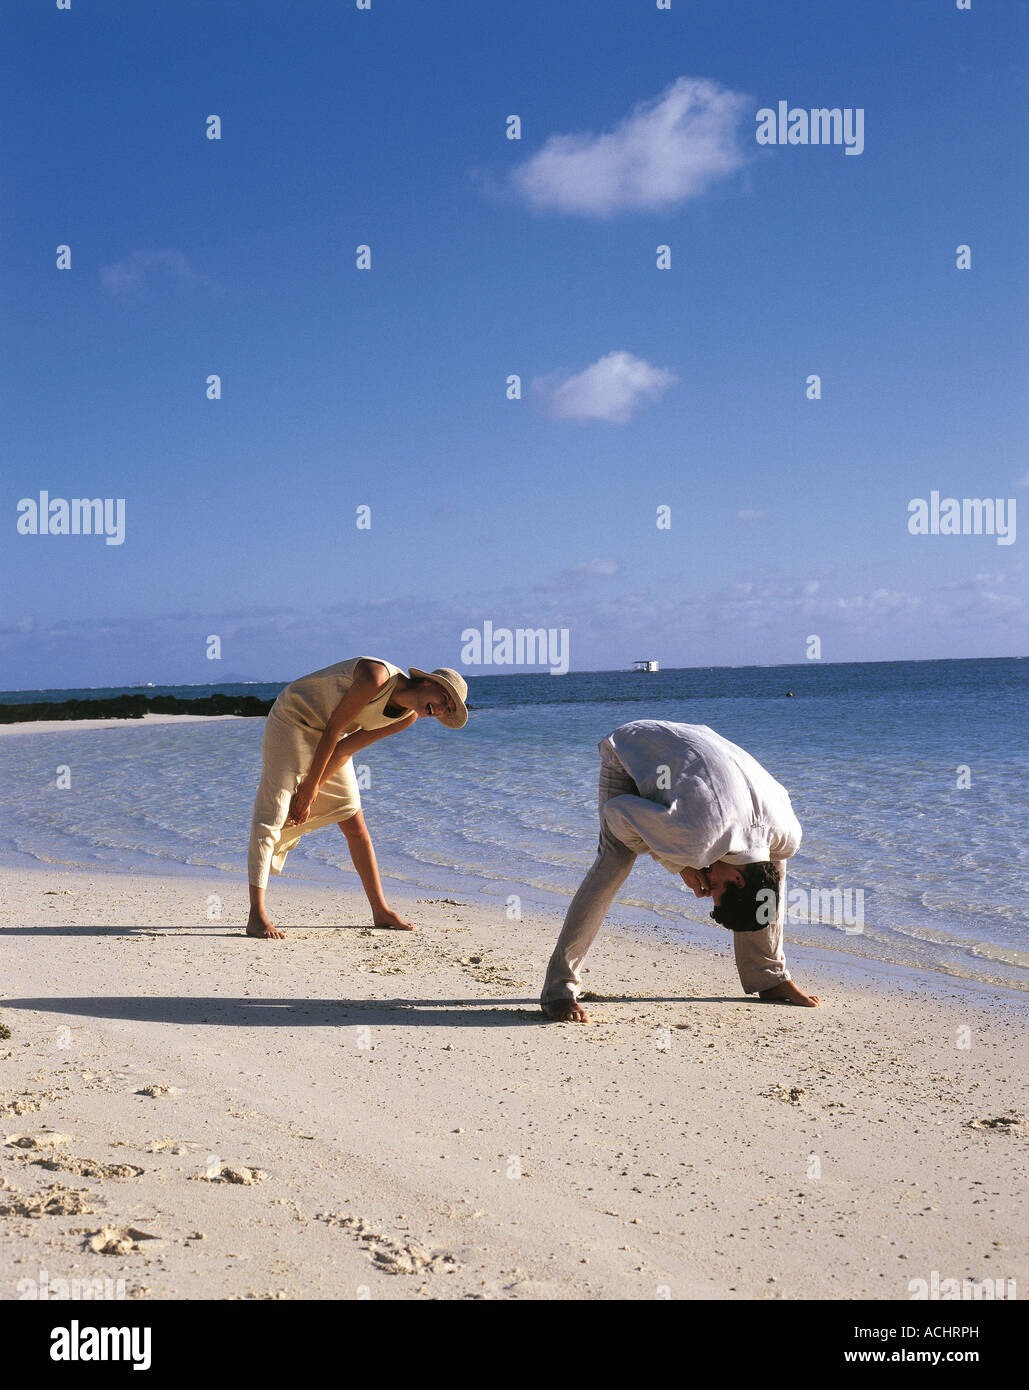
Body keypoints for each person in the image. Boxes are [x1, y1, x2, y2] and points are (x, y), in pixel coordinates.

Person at [540, 719, 821, 1020]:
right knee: (615, 860)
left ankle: (769, 976)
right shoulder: (694, 841)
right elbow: (616, 813)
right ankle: (559, 989)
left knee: (770, 868)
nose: (706, 888)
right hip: (631, 748)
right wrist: (679, 862)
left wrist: (684, 854)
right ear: (737, 879)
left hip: (693, 750)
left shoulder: (788, 836)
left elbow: (760, 877)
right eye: (714, 888)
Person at [246, 656, 468, 939]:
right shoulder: (377, 677)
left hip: (329, 739)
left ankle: (380, 910)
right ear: (429, 682)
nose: (440, 710)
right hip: (293, 718)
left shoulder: (406, 718)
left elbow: (342, 749)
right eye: (444, 699)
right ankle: (257, 916)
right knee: (274, 813)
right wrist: (309, 786)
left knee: (352, 817)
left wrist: (310, 792)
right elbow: (334, 729)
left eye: (447, 710)